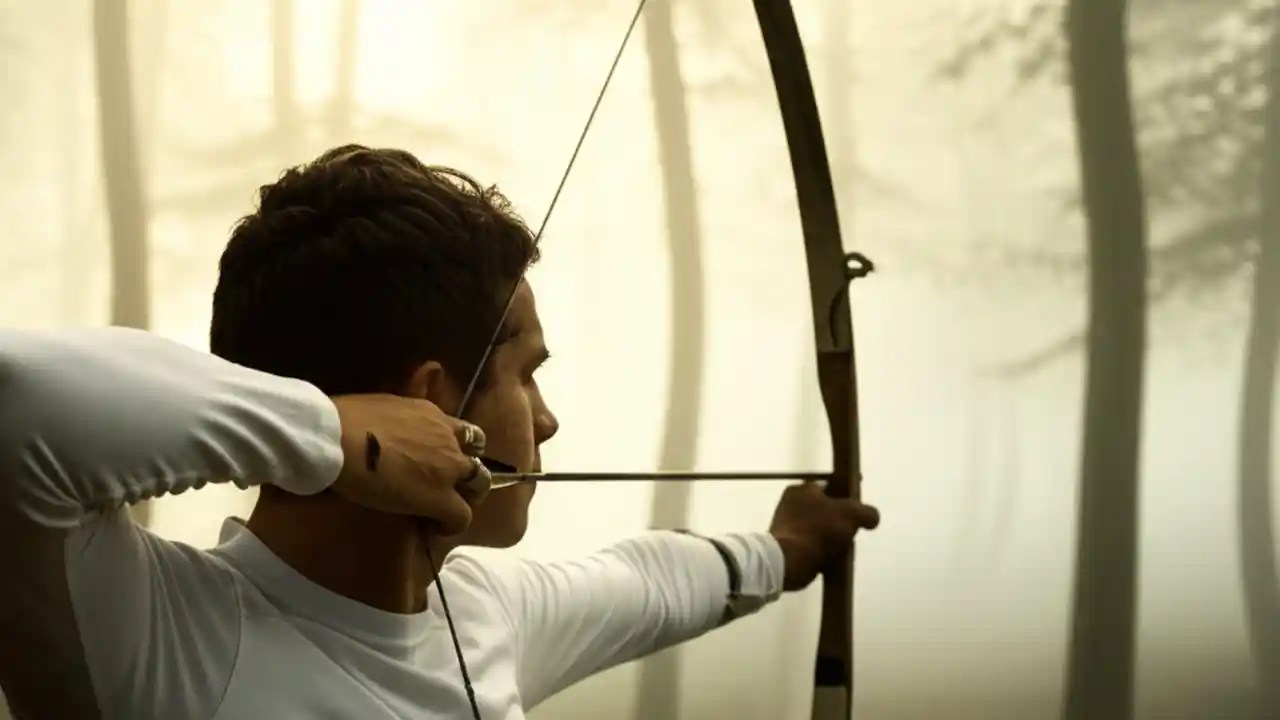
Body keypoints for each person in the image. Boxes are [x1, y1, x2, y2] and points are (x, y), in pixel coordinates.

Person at [0, 145, 880, 719]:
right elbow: (20, 399)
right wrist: (341, 439)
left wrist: (784, 547)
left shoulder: (482, 616)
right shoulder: (158, 639)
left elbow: (649, 583)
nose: (546, 418)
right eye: (526, 373)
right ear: (434, 407)